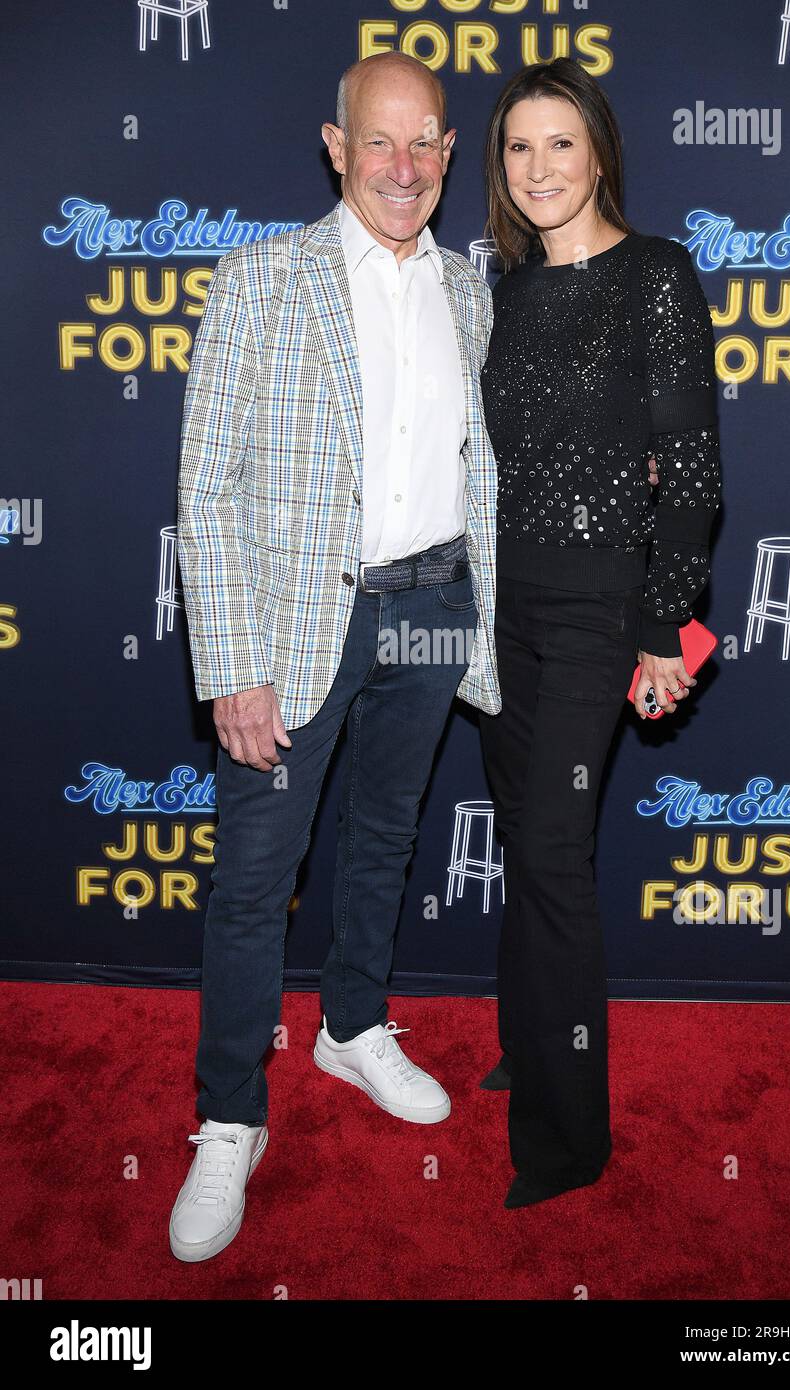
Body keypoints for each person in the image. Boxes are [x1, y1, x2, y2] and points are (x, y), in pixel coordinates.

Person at [169, 50, 502, 1263]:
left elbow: (484, 465)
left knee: (383, 834)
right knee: (256, 877)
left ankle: (353, 1025)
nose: (402, 168)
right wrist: (231, 661)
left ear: (450, 154)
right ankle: (226, 1116)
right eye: (378, 143)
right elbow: (204, 491)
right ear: (334, 143)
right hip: (297, 622)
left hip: (432, 601)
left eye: (425, 145)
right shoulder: (263, 278)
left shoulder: (472, 290)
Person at [477, 58, 722, 1208]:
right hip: (497, 607)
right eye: (518, 148)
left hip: (595, 613)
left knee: (553, 857)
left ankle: (568, 1138)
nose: (539, 169)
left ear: (600, 151)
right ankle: (530, 1038)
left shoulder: (658, 277)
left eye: (559, 144)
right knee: (526, 839)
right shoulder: (503, 289)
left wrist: (665, 628)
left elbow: (693, 475)